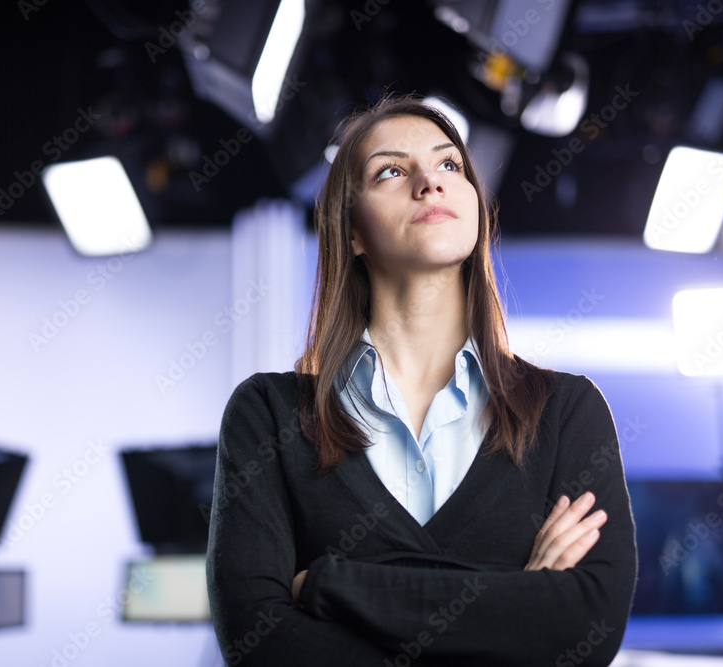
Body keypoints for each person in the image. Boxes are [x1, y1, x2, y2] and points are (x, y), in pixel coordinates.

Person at [206, 93, 637, 666]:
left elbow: (586, 625)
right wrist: (520, 604)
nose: (429, 183)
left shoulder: (568, 411)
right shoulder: (267, 413)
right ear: (352, 230)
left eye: (449, 165)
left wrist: (331, 586)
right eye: (390, 171)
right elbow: (257, 638)